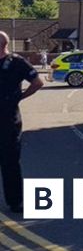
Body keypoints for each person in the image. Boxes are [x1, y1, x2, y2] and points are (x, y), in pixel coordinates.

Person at [0, 31, 44, 214]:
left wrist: (19, 97)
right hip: (8, 117)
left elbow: (37, 82)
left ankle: (15, 201)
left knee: (10, 163)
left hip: (8, 120)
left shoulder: (17, 62)